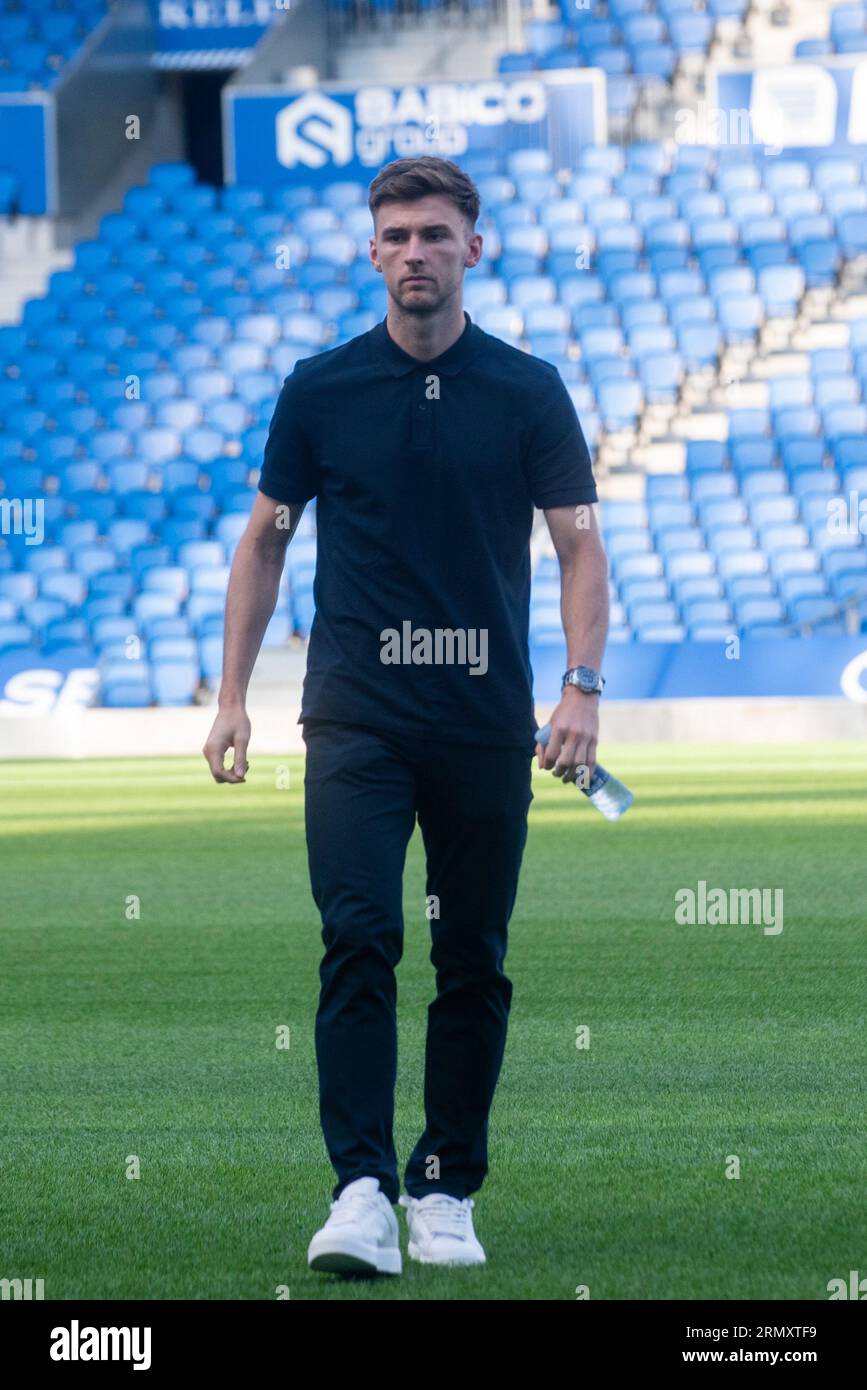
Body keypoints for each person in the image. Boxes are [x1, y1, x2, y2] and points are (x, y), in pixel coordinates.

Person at [203, 155, 609, 1276]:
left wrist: (583, 686)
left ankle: (446, 1186)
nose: (415, 251)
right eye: (397, 235)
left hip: (484, 721)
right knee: (359, 939)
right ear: (371, 252)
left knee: (472, 953)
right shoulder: (320, 388)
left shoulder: (528, 390)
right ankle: (362, 1189)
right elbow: (264, 542)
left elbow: (580, 546)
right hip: (354, 720)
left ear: (473, 247)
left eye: (436, 233)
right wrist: (232, 695)